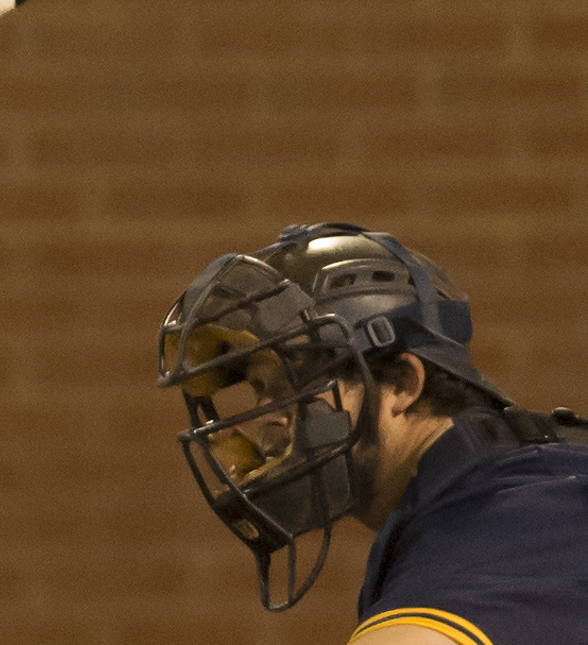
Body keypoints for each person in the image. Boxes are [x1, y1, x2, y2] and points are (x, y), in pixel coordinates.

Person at [156, 222, 588, 643]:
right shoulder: (498, 490)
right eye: (260, 389)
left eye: (295, 383)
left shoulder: (515, 519)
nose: (266, 416)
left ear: (402, 383)